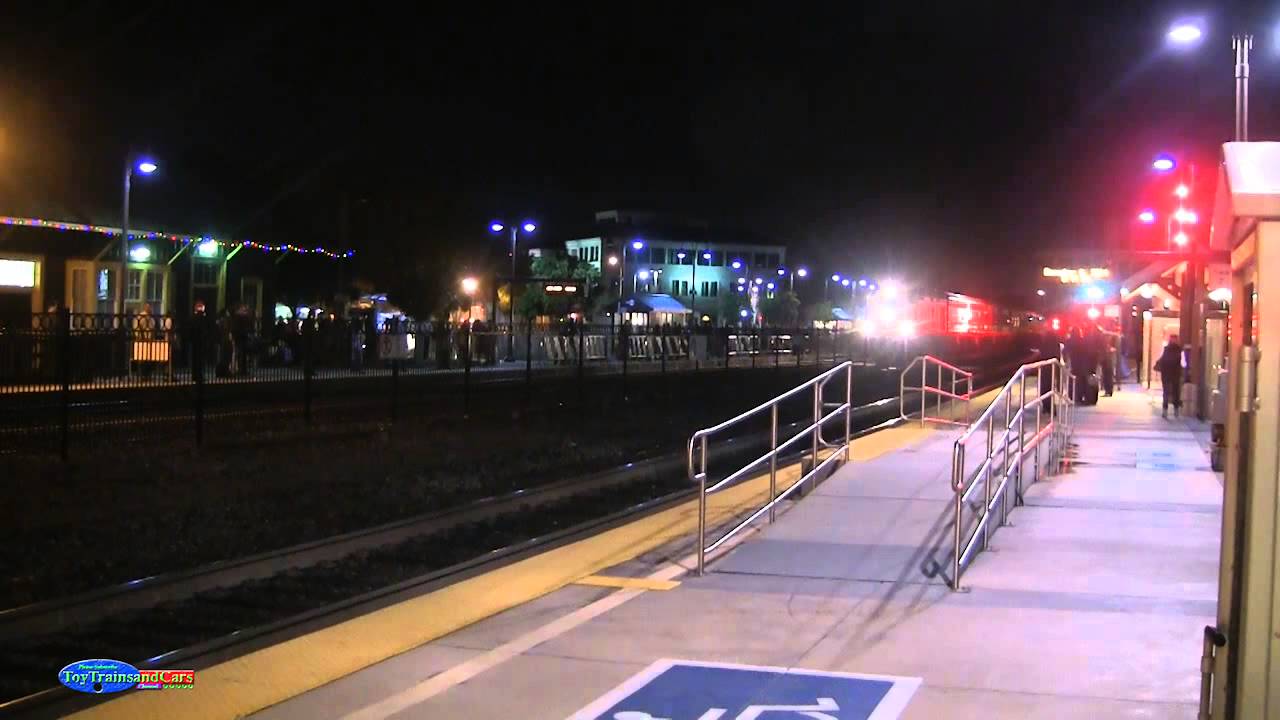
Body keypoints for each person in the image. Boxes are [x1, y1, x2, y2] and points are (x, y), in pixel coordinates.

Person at [1155, 335, 1184, 418]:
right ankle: (1176, 411)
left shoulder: (1165, 349)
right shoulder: (1180, 350)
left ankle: (1165, 411)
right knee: (1176, 392)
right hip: (1175, 373)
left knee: (1166, 392)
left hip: (1166, 373)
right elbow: (1183, 363)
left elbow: (1161, 359)